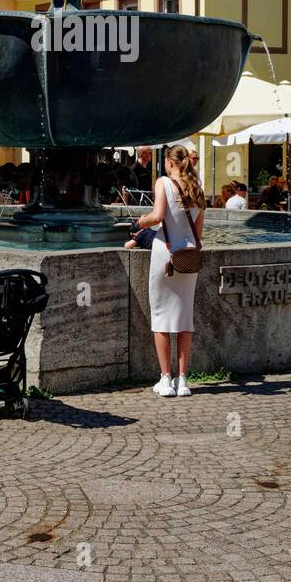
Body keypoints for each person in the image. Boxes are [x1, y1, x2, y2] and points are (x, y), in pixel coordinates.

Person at [133, 143, 205, 397]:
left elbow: (158, 215)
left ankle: (165, 379)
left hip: (166, 253)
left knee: (161, 317)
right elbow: (198, 232)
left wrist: (139, 223)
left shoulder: (163, 182)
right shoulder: (197, 188)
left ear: (170, 163)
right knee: (185, 318)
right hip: (189, 256)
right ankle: (183, 380)